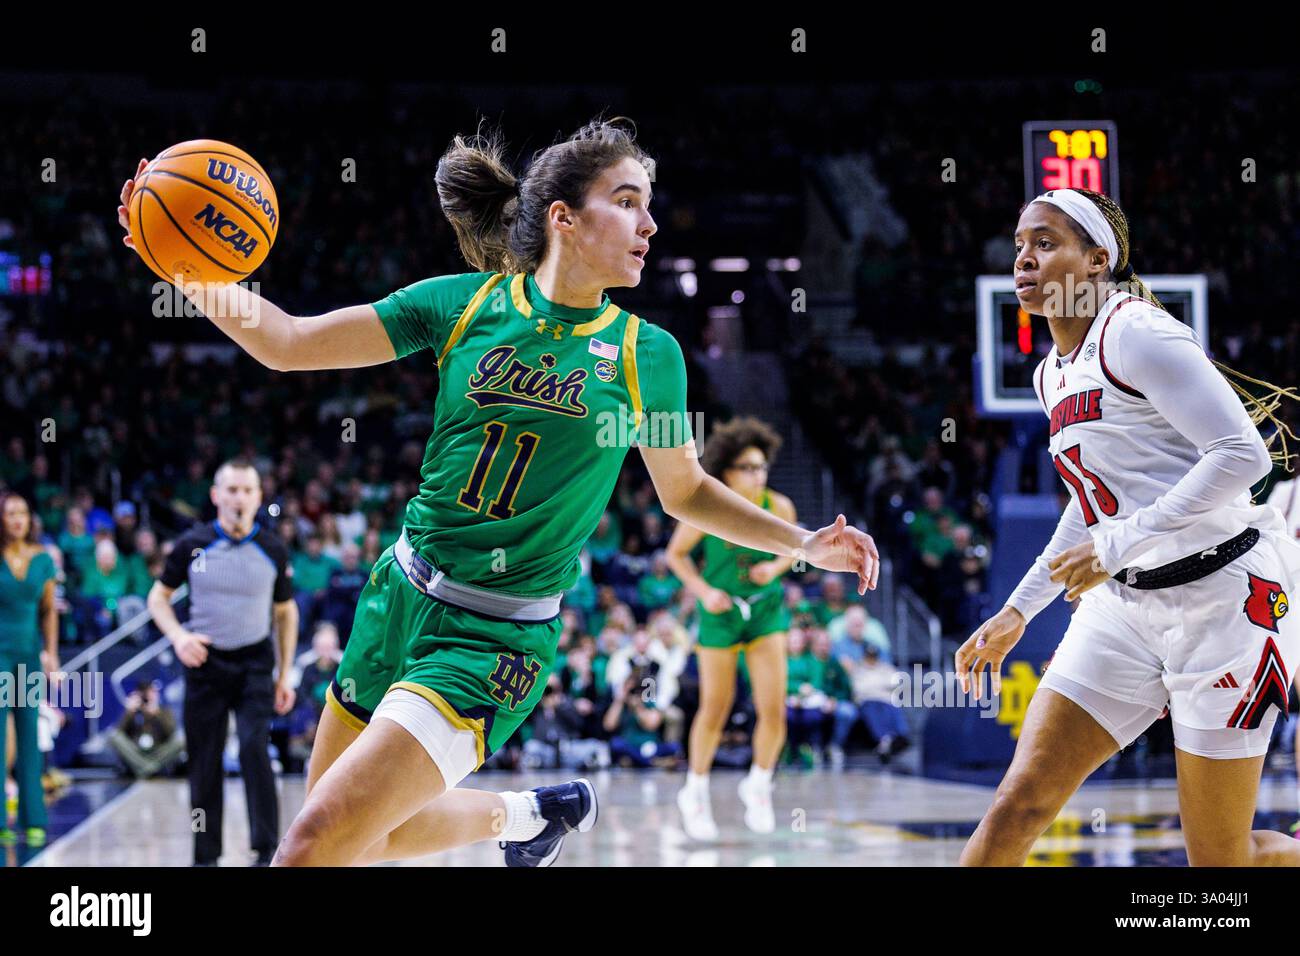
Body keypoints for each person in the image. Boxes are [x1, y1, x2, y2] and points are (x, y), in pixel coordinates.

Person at [117, 116, 879, 868]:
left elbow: (686, 493)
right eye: (627, 200)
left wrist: (803, 542)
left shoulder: (649, 355)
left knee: (310, 844)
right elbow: (286, 343)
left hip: (492, 639)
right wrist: (188, 271)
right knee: (344, 843)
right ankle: (526, 815)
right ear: (564, 218)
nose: (650, 222)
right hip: (397, 599)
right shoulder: (465, 306)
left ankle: (524, 815)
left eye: (648, 203)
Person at [956, 187, 1300, 866]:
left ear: (1095, 261)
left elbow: (1242, 456)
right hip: (1124, 609)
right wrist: (1018, 611)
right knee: (1016, 805)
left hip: (1225, 600)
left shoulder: (1135, 332)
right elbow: (1090, 507)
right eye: (1020, 245)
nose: (1024, 259)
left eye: (1046, 244)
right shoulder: (1048, 374)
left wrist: (1114, 544)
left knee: (1222, 866)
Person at [146, 459, 298, 866]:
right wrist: (179, 637)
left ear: (258, 497)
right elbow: (157, 598)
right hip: (205, 665)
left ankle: (266, 850)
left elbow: (285, 612)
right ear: (215, 495)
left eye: (247, 490)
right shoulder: (191, 544)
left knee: (254, 748)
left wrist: (284, 675)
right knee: (205, 761)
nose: (239, 498)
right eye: (231, 490)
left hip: (255, 664)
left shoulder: (272, 548)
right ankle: (206, 856)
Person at [667, 417, 801, 838]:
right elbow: (677, 556)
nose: (757, 474)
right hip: (721, 612)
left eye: (761, 467)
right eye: (747, 467)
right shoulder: (707, 506)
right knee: (716, 707)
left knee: (774, 710)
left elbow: (795, 550)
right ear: (726, 471)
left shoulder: (778, 506)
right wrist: (704, 592)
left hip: (764, 610)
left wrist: (775, 566)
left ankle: (759, 785)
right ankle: (695, 789)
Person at [0, 492, 60, 845]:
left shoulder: (42, 559)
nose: (17, 519)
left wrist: (51, 654)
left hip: (29, 654)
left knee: (29, 734)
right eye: (10, 513)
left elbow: (49, 610)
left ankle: (33, 818)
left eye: (22, 512)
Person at [107, 679, 184, 779]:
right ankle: (150, 769)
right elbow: (119, 731)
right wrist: (129, 712)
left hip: (158, 752)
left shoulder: (164, 711)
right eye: (146, 693)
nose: (149, 696)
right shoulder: (132, 711)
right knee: (113, 736)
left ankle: (145, 769)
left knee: (181, 740)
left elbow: (171, 732)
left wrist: (157, 714)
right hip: (136, 752)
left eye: (152, 692)